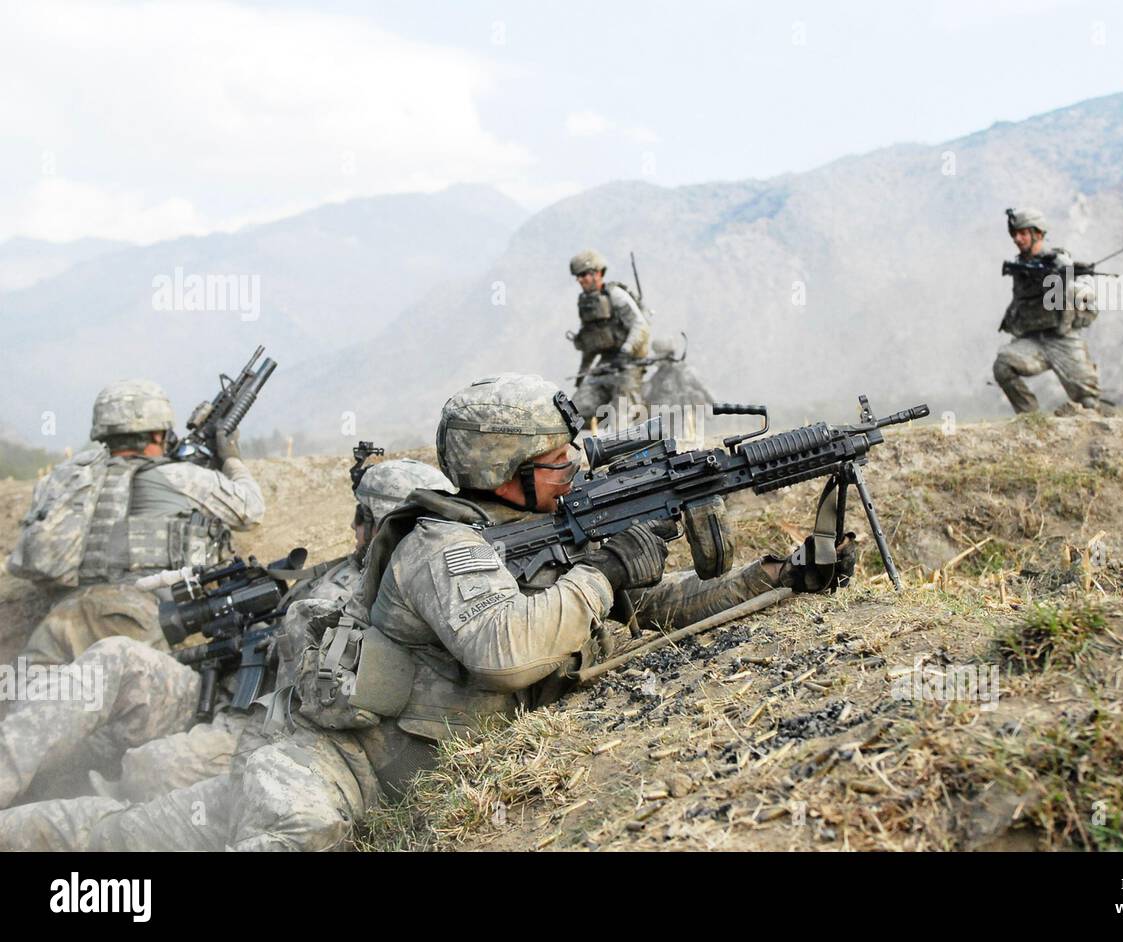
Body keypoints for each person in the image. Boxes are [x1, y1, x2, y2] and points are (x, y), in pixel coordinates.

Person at [0, 374, 853, 851]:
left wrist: (769, 576)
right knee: (110, 845)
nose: (576, 469)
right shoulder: (441, 544)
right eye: (558, 460)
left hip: (386, 772)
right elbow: (509, 650)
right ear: (504, 465)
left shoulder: (542, 529)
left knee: (116, 825)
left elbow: (651, 608)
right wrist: (600, 572)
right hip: (324, 770)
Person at [0, 458, 448, 815]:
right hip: (223, 693)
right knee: (116, 656)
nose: (353, 526)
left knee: (151, 768)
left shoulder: (397, 594)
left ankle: (55, 819)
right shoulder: (340, 569)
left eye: (361, 516)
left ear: (384, 521)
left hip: (267, 727)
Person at [9, 380, 264, 664]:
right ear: (158, 434)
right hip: (135, 619)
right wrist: (231, 459)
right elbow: (251, 511)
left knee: (35, 701)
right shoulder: (180, 476)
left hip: (61, 618)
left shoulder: (62, 479)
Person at [992, 208, 1107, 416]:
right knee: (1003, 366)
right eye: (1014, 234)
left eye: (1023, 233)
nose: (1017, 239)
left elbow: (1085, 298)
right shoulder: (1020, 266)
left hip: (1062, 340)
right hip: (1033, 341)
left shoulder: (1058, 262)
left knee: (1089, 402)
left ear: (1038, 234)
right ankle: (1030, 418)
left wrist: (1065, 277)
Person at [567, 249, 652, 425]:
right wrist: (582, 377)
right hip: (605, 365)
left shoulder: (615, 295)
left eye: (583, 275)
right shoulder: (586, 302)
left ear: (597, 273)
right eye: (577, 276)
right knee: (573, 413)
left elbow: (640, 325)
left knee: (621, 419)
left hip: (629, 365)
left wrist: (625, 352)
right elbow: (590, 343)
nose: (579, 280)